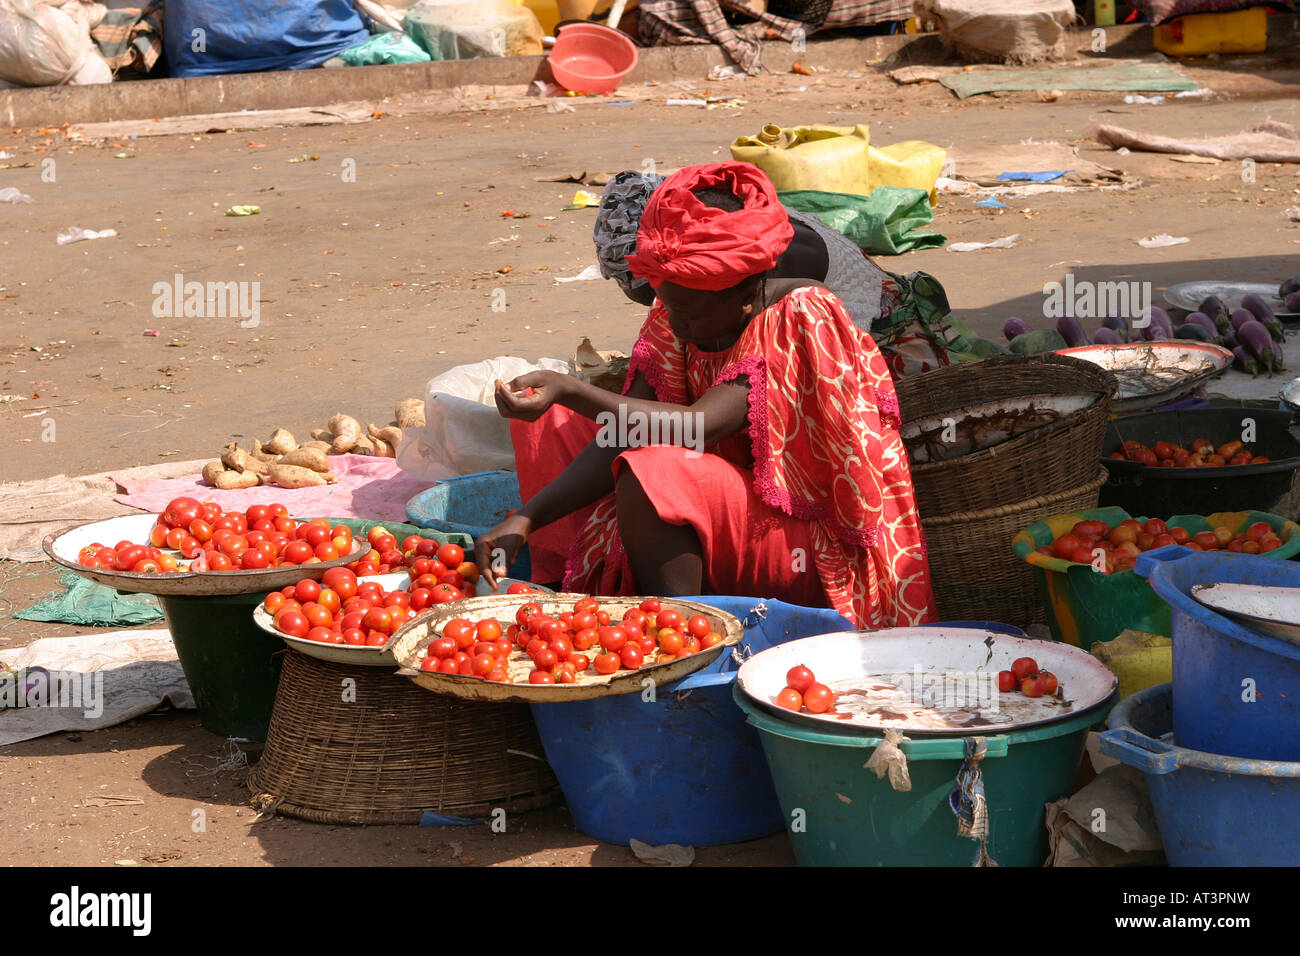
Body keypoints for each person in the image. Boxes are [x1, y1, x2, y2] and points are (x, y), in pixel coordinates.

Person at [475, 161, 935, 629]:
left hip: (809, 546)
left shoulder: (802, 314)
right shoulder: (679, 308)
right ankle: (554, 585)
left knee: (655, 470)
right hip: (723, 510)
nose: (676, 325)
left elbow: (699, 426)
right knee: (554, 426)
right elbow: (620, 429)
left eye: (689, 315)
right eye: (669, 306)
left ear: (743, 294)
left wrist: (572, 389)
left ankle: (681, 635)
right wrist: (527, 517)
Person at [594, 169, 979, 377]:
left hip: (883, 343)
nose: (661, 308)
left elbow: (713, 415)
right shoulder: (719, 271)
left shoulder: (784, 291)